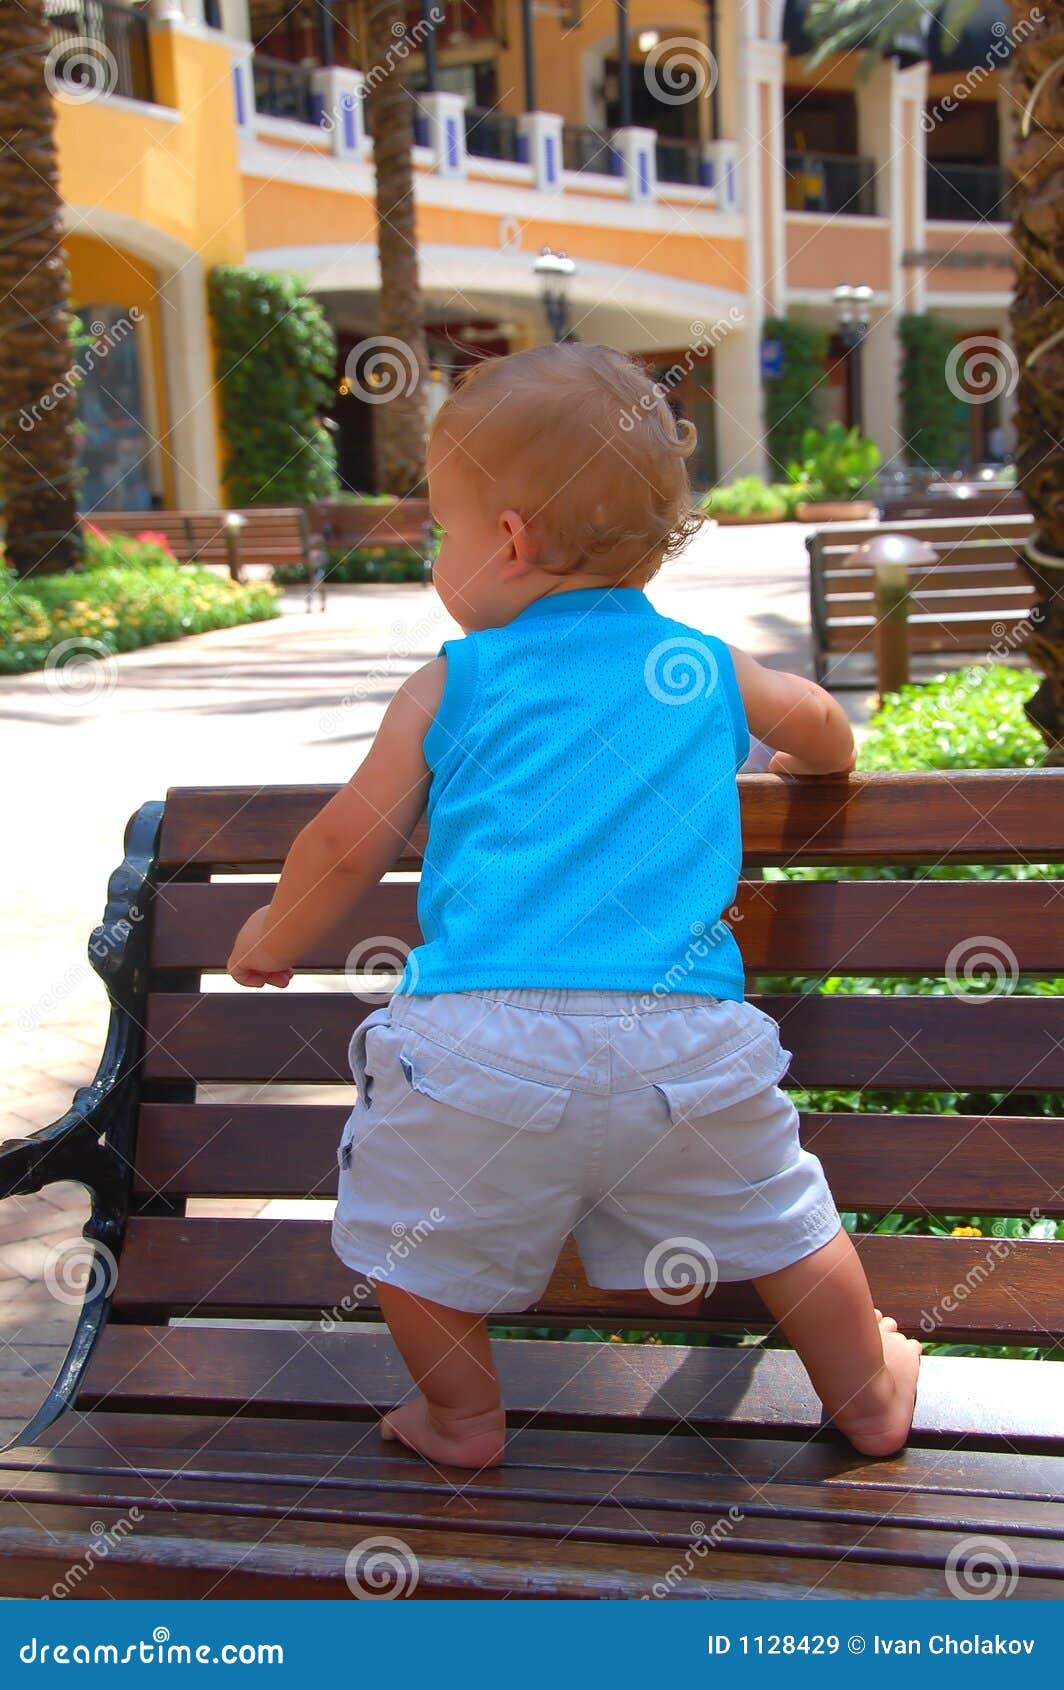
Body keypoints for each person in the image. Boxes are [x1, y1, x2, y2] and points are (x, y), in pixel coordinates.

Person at [227, 343, 921, 1471]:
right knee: (786, 1225)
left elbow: (347, 843)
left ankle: (463, 1413)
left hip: (479, 1047)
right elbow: (821, 726)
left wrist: (272, 934)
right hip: (685, 1042)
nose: (436, 558)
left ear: (508, 539)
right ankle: (870, 1394)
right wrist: (811, 758)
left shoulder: (456, 681)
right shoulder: (700, 666)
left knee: (401, 1230)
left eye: (440, 532)